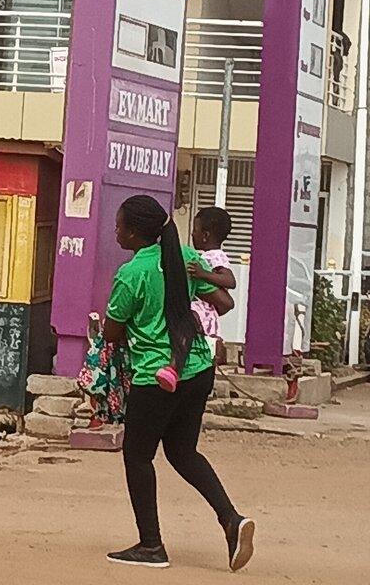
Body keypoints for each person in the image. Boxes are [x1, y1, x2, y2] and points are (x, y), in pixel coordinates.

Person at [103, 195, 255, 571]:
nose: (116, 230)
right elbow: (222, 301)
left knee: (138, 456)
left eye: (119, 225)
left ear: (135, 232)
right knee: (183, 452)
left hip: (155, 375)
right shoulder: (186, 257)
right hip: (196, 367)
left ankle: (151, 545)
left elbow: (112, 331)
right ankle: (231, 520)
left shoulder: (131, 273)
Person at [188, 207, 237, 365]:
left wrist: (204, 274)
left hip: (204, 312)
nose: (192, 234)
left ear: (205, 235)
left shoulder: (215, 255)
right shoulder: (204, 255)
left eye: (195, 230)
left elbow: (230, 281)